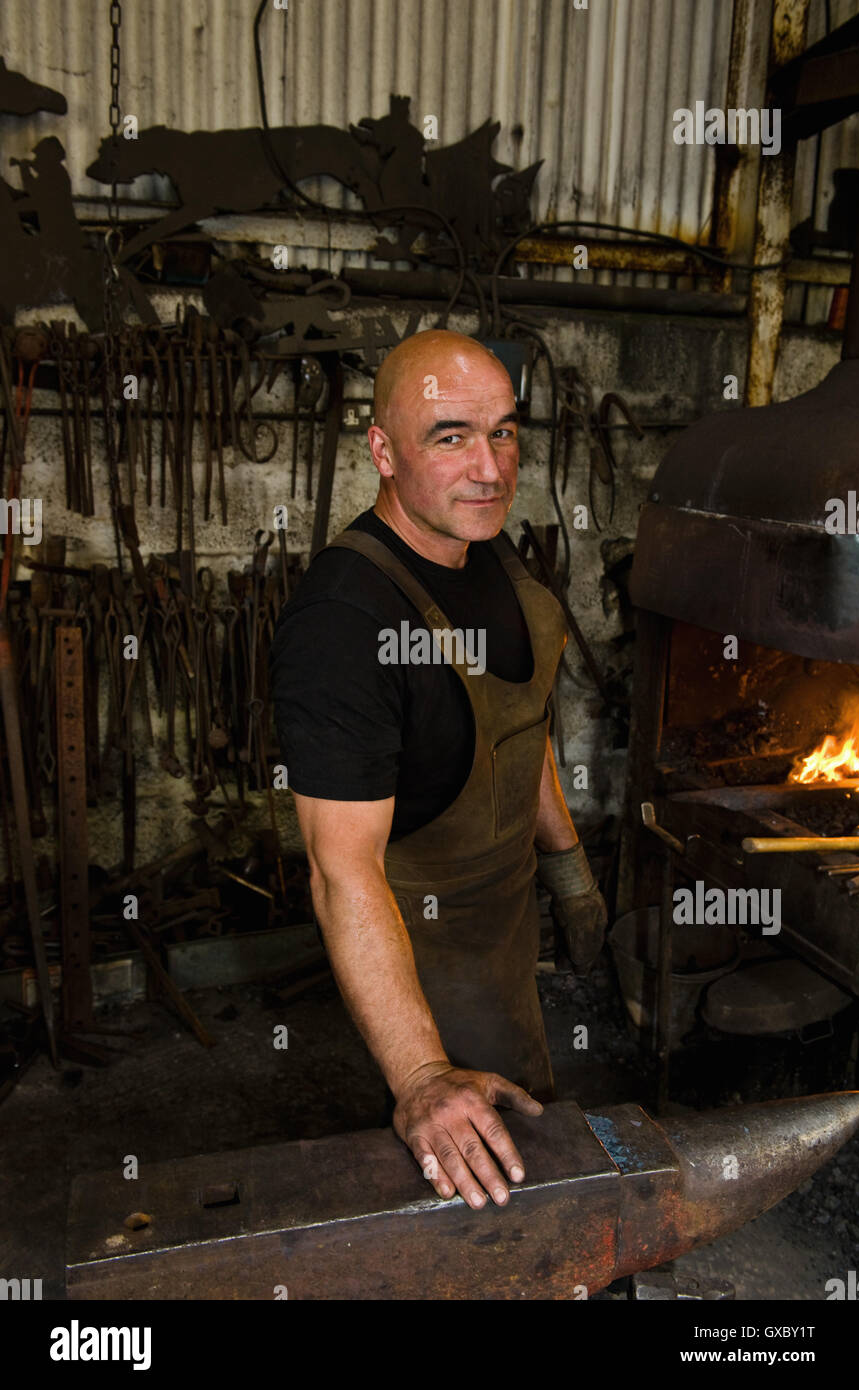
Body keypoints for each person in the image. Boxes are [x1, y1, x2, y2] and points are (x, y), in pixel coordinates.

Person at [270, 329, 606, 1212]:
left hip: (508, 927)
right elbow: (341, 871)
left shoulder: (484, 545)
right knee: (466, 1191)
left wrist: (564, 862)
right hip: (421, 961)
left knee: (527, 1136)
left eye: (503, 431)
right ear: (382, 451)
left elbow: (518, 722)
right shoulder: (341, 624)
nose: (490, 468)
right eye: (450, 436)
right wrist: (420, 1073)